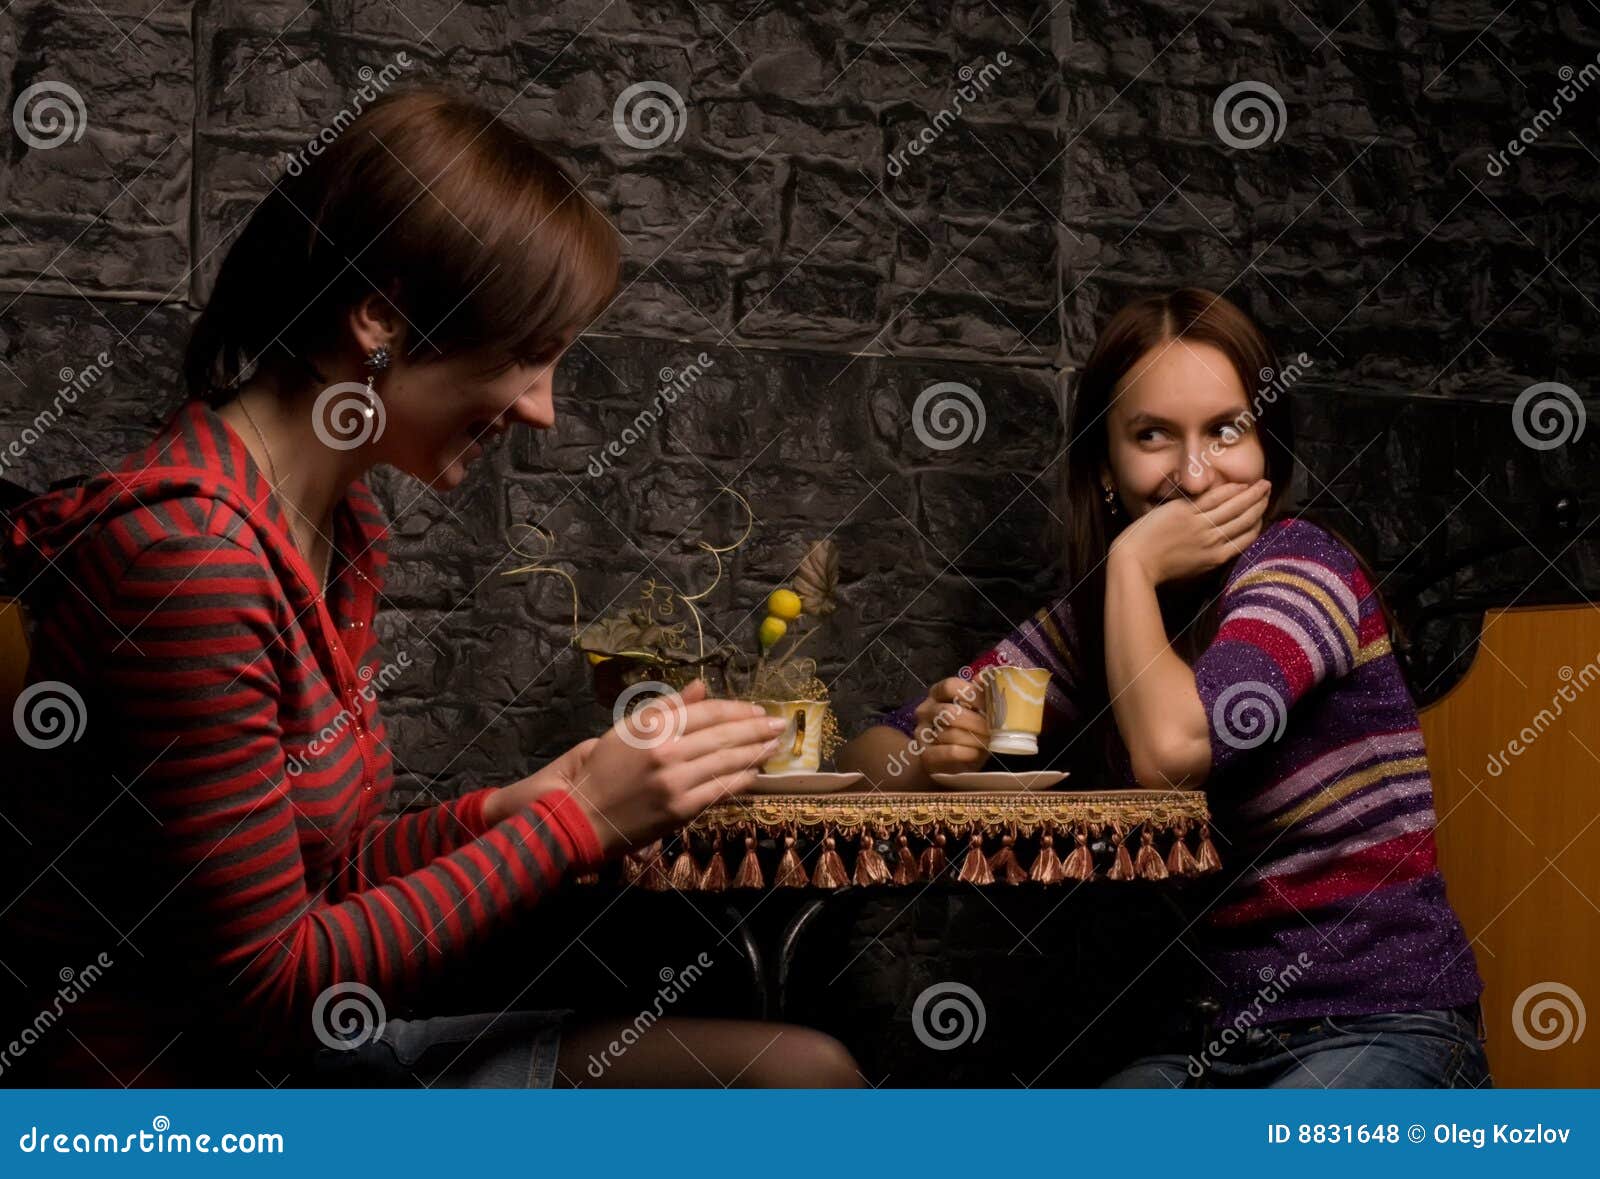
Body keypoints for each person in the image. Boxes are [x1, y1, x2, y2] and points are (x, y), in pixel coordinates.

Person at [0, 87, 858, 1089]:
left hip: (301, 1064)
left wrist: (518, 807)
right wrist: (578, 822)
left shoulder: (336, 528)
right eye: (527, 357)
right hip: (170, 1111)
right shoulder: (190, 561)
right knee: (794, 1087)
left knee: (799, 1071)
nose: (542, 409)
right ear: (381, 318)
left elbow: (318, 881)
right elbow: (270, 990)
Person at [838, 288, 1489, 1088]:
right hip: (1205, 1042)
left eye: (1226, 430)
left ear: (1268, 447)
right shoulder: (1099, 620)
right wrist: (930, 753)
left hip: (1382, 1024)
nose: (1194, 473)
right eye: (1153, 435)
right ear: (1105, 465)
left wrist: (1132, 561)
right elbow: (870, 752)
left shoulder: (1304, 568)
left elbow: (1173, 749)